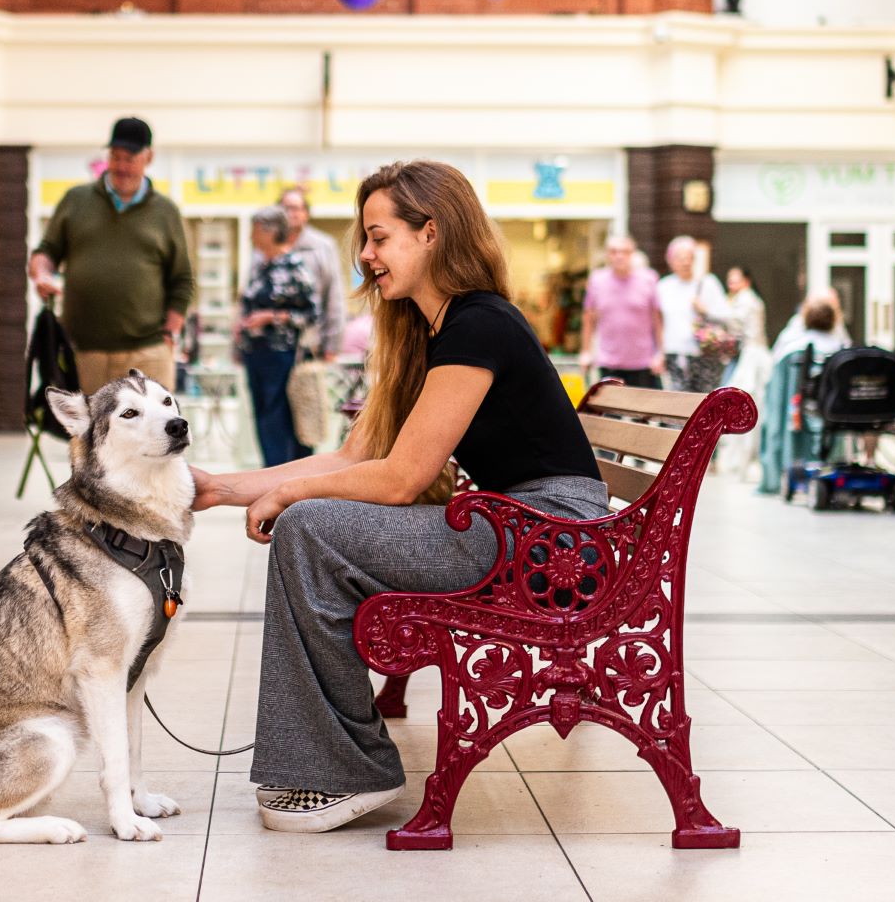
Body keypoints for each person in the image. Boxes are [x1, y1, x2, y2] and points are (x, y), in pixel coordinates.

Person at [190, 160, 609, 834]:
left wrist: (292, 496)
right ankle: (330, 760)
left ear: (431, 233)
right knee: (310, 523)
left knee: (308, 527)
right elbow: (358, 457)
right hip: (521, 525)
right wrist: (222, 488)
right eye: (366, 239)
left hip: (550, 539)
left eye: (379, 237)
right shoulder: (439, 333)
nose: (365, 256)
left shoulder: (480, 325)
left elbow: (402, 477)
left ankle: (347, 771)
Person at [29, 117, 194, 392]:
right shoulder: (76, 200)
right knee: (88, 434)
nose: (121, 166)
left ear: (148, 157)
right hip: (83, 352)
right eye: (115, 157)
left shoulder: (166, 212)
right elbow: (46, 252)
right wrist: (42, 274)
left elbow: (183, 279)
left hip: (148, 352)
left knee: (152, 434)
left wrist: (169, 331)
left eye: (130, 158)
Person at [238, 206, 318, 467]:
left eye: (255, 229)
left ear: (269, 231)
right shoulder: (262, 265)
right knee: (262, 416)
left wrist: (272, 316)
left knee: (278, 419)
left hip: (281, 355)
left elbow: (311, 313)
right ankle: (269, 473)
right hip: (255, 353)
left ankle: (282, 475)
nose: (251, 235)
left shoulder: (294, 266)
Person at [249, 188, 346, 362]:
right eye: (285, 208)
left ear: (306, 213)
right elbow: (249, 295)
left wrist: (332, 345)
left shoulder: (323, 246)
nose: (290, 214)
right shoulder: (262, 248)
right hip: (265, 348)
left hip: (310, 344)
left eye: (296, 208)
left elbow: (334, 298)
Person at [580, 234, 663, 388]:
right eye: (614, 251)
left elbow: (657, 320)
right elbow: (588, 318)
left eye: (624, 251)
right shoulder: (597, 280)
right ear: (607, 255)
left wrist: (660, 353)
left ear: (632, 254)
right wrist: (586, 351)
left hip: (642, 363)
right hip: (608, 362)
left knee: (642, 410)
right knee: (611, 411)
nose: (619, 256)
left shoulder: (649, 279)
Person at [717, 266, 772, 478]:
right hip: (744, 356)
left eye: (735, 281)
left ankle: (745, 459)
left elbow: (732, 322)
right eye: (729, 281)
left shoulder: (747, 300)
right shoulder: (741, 299)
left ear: (746, 281)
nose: (731, 285)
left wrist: (706, 310)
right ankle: (737, 459)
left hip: (752, 358)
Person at [656, 235, 729, 393]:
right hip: (674, 353)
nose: (685, 262)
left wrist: (705, 310)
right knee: (679, 402)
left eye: (689, 258)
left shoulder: (708, 282)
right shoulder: (664, 286)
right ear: (670, 260)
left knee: (705, 400)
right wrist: (658, 353)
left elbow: (726, 316)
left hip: (705, 353)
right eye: (680, 258)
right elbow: (658, 322)